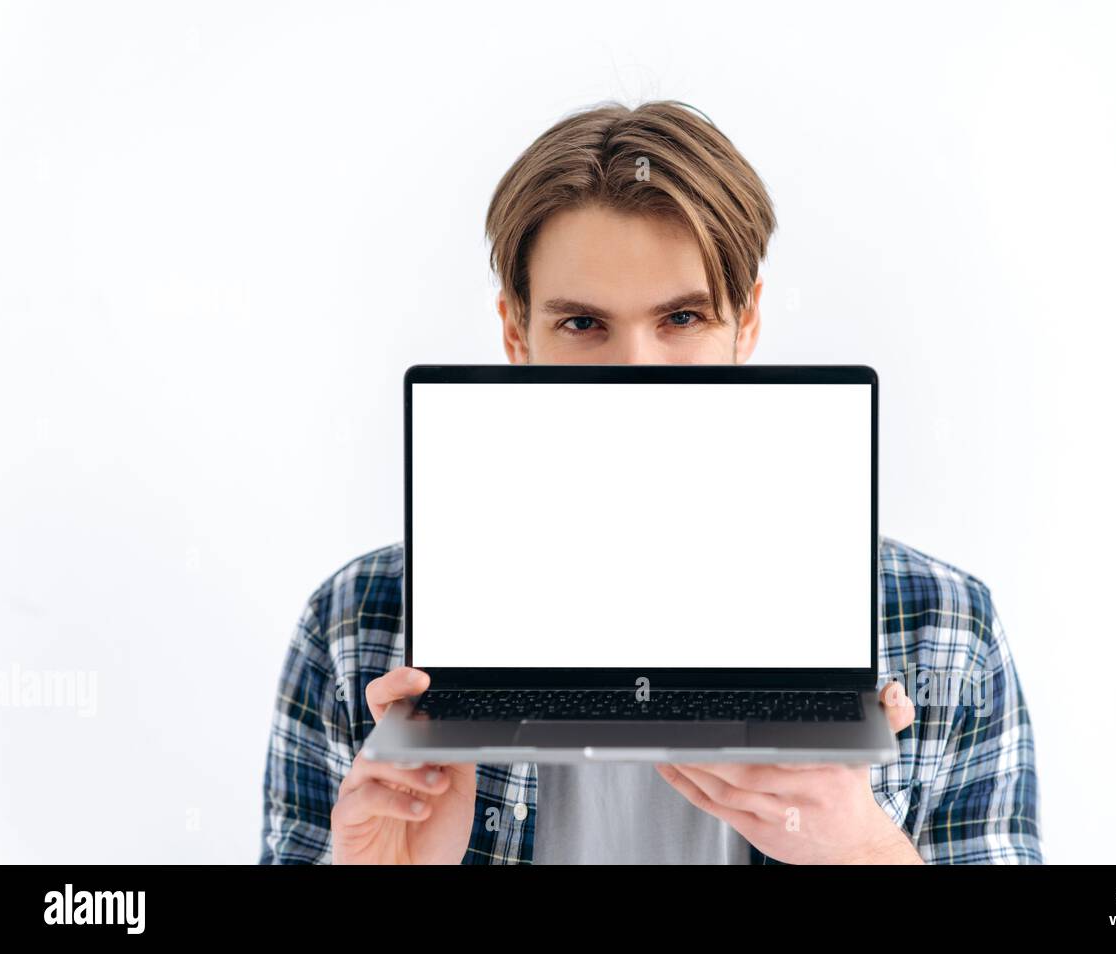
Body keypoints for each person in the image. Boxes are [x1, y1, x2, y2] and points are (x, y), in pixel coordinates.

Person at [259, 100, 1041, 865]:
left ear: (748, 324)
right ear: (514, 334)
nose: (636, 376)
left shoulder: (944, 626)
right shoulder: (356, 627)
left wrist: (865, 855)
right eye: (582, 324)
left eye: (682, 320)